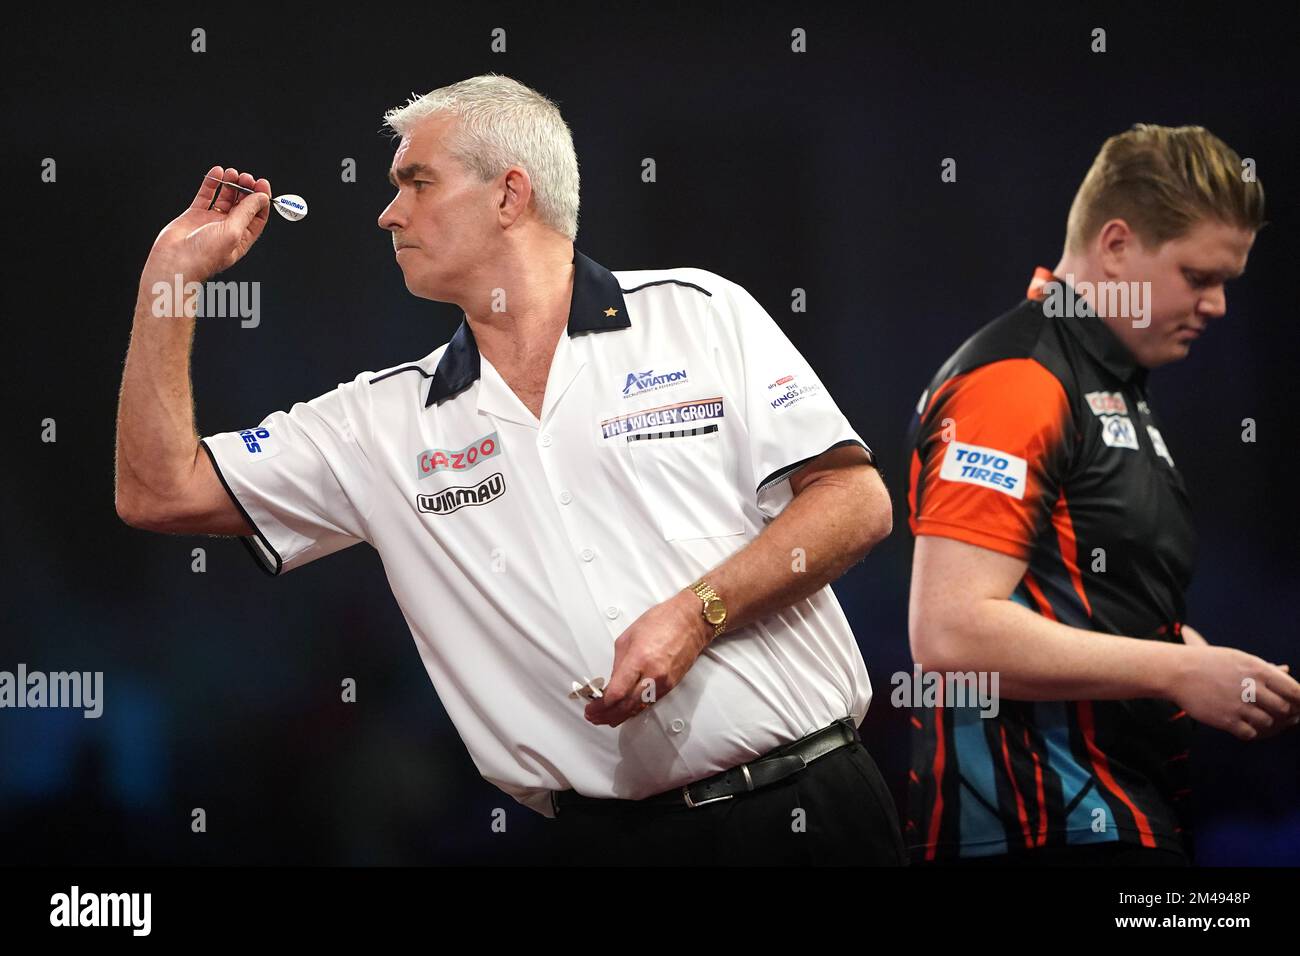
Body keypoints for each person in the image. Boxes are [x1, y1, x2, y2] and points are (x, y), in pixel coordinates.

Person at [114, 74, 905, 865]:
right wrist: (167, 281)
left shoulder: (698, 312)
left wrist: (700, 611)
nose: (387, 212)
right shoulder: (377, 424)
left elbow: (856, 502)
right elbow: (158, 492)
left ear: (509, 195)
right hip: (600, 842)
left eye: (415, 183)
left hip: (811, 812)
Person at [904, 123, 1300, 866]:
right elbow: (950, 636)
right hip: (1037, 828)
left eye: (1226, 283)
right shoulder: (1017, 381)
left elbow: (1067, 598)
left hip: (1123, 813)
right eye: (1198, 276)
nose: (1216, 306)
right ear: (1116, 246)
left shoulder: (1112, 390)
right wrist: (1178, 672)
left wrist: (1204, 662)